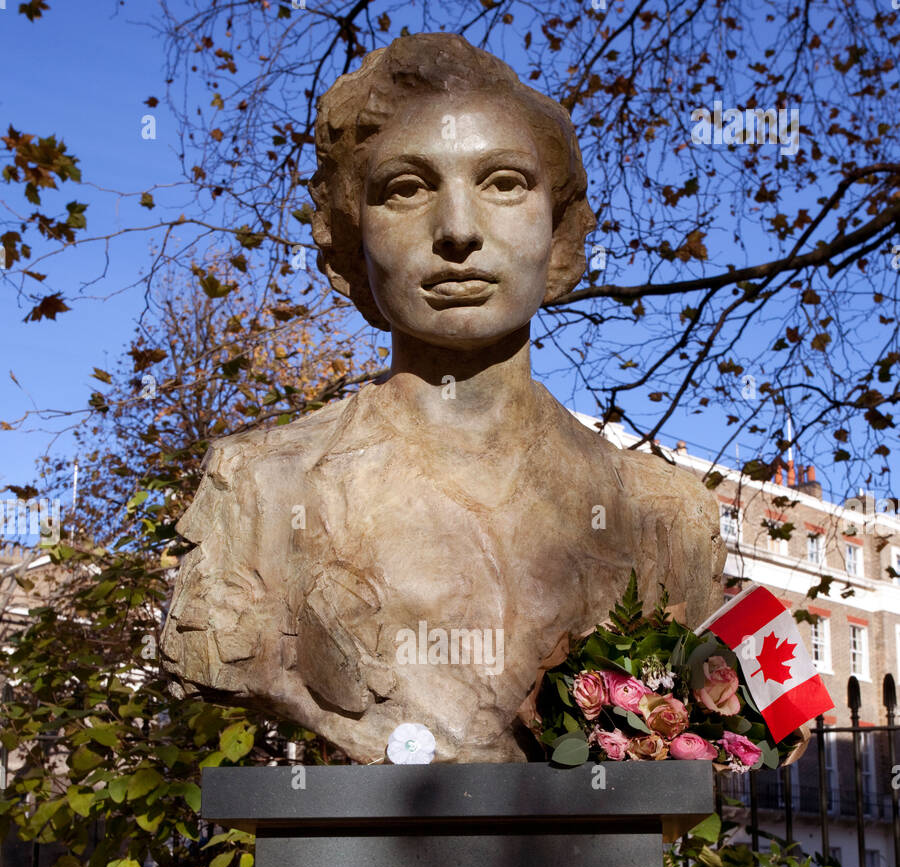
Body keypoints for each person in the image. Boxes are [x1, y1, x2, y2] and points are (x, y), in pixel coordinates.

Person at [161, 33, 724, 763]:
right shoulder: (260, 492)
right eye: (406, 188)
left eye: (503, 183)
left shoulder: (666, 516)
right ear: (346, 239)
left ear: (561, 235)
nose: (458, 230)